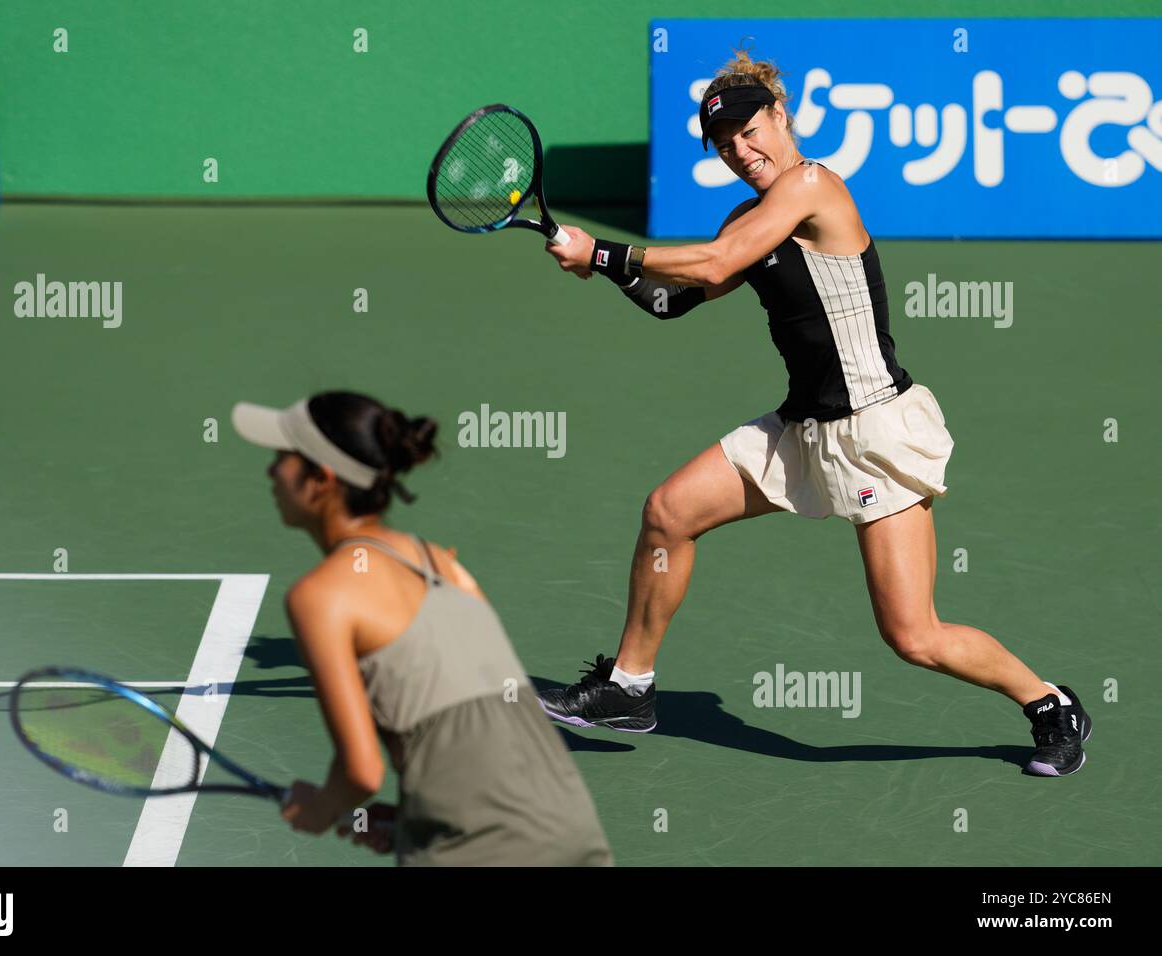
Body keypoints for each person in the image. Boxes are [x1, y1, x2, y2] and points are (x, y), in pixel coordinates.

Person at [538, 51, 1091, 777]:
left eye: (749, 132)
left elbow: (714, 262)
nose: (741, 151)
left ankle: (1049, 703)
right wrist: (596, 267)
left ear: (779, 115)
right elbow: (674, 298)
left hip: (874, 432)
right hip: (799, 430)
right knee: (669, 512)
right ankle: (629, 687)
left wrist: (607, 252)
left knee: (913, 635)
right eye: (725, 145)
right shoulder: (749, 217)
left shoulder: (812, 185)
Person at [232, 390, 614, 862]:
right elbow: (491, 721)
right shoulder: (443, 564)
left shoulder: (320, 596)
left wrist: (318, 809)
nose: (271, 472)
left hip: (481, 844)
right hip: (570, 826)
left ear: (321, 479)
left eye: (282, 458)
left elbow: (361, 772)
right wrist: (412, 818)